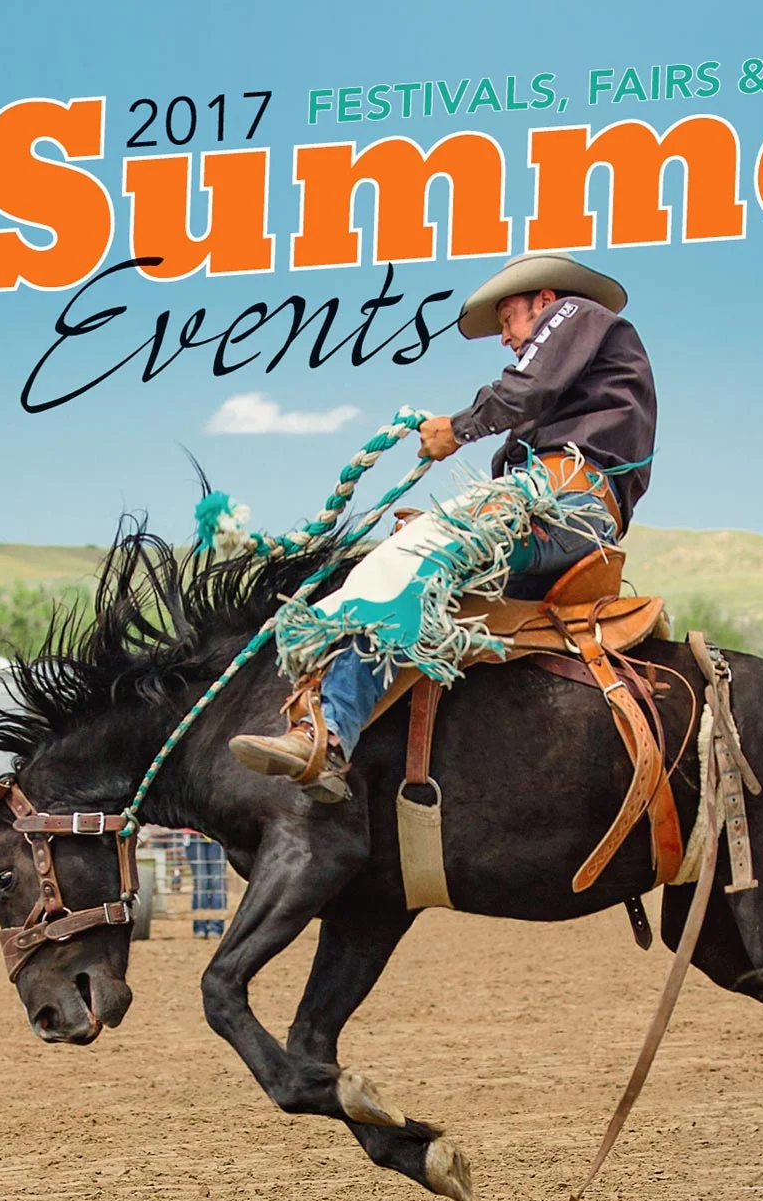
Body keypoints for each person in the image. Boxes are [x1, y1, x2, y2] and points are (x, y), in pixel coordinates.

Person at [229, 252, 657, 800]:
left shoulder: (574, 312)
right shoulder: (584, 373)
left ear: (544, 301)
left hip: (558, 499)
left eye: (507, 319)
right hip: (575, 513)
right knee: (422, 609)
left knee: (409, 555)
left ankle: (325, 730)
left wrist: (457, 429)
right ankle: (343, 743)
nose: (504, 337)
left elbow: (524, 388)